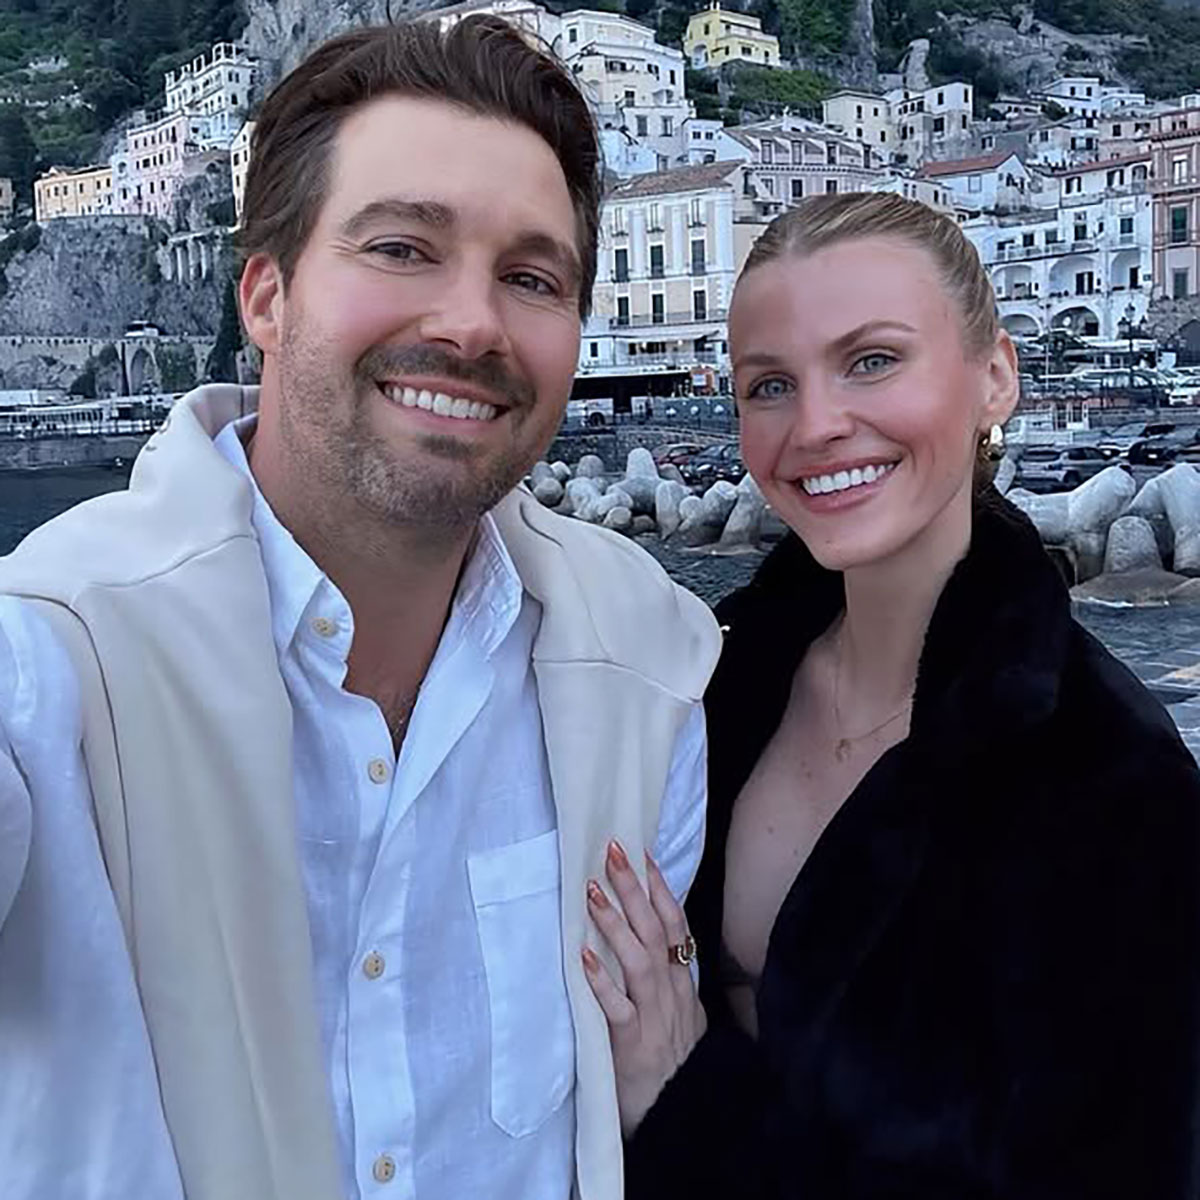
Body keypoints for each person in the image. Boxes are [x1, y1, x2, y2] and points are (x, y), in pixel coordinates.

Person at [0, 18, 722, 1200]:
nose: (473, 323)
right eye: (400, 248)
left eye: (531, 278)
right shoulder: (48, 658)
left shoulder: (646, 670)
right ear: (267, 296)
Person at [584, 192, 1200, 1199]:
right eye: (769, 384)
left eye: (872, 361)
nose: (817, 425)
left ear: (995, 376)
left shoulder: (1113, 779)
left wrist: (681, 1099)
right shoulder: (706, 682)